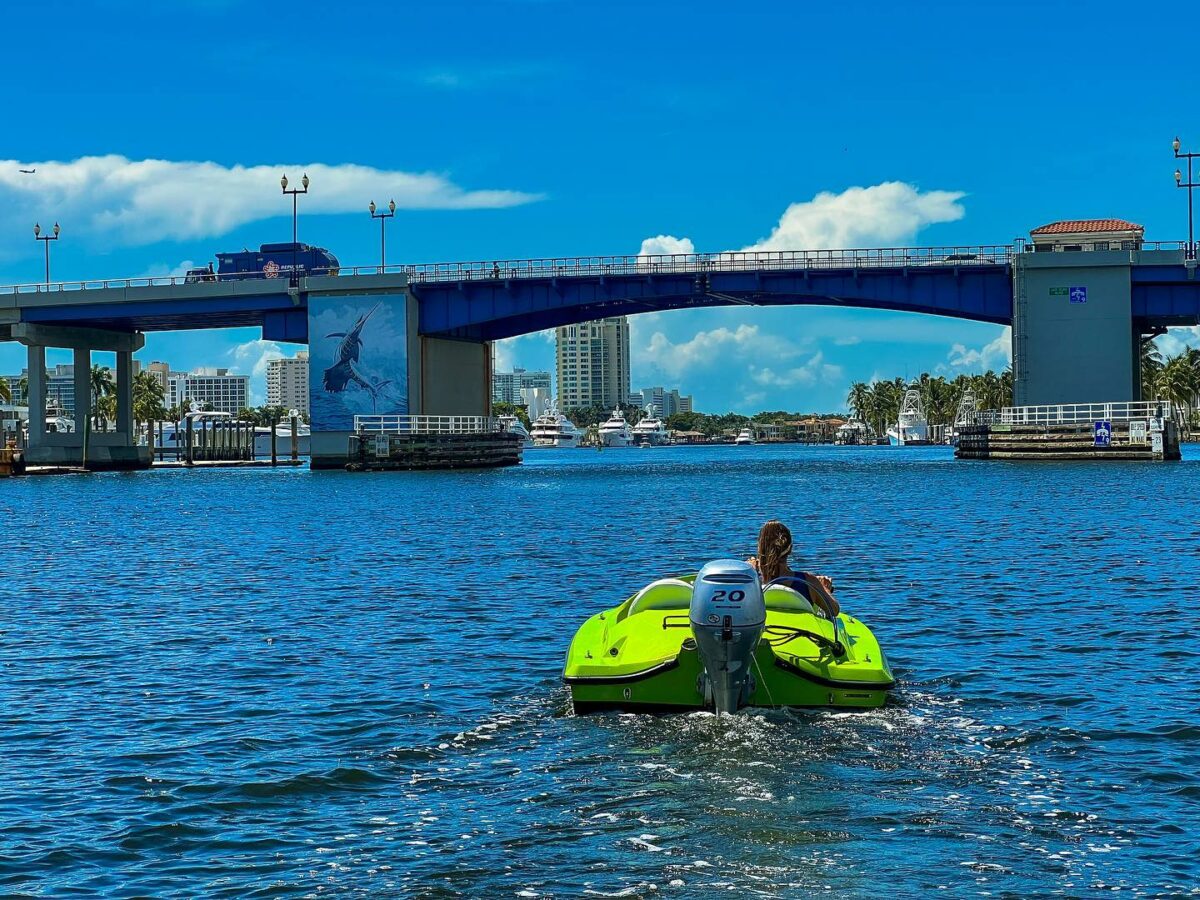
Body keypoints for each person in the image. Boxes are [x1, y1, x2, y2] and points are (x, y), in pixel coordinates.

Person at [747, 520, 841, 618]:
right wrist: (824, 587)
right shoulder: (809, 582)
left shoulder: (749, 581)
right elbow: (834, 611)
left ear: (759, 548)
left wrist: (750, 570)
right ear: (790, 549)